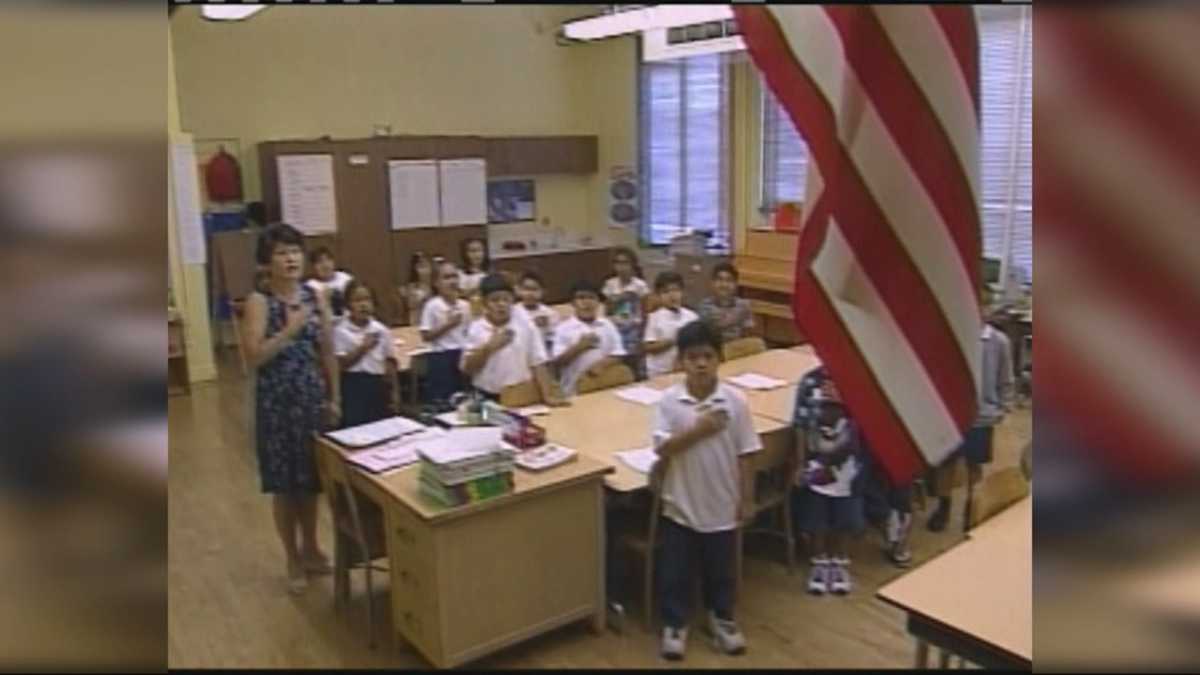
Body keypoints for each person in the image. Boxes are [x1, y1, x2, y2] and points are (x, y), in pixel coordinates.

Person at [240, 223, 340, 595]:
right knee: (285, 486)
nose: (291, 258)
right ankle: (292, 556)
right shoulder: (259, 302)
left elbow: (328, 352)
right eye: (282, 252)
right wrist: (290, 330)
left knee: (310, 483)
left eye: (296, 251)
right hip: (276, 404)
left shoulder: (316, 297)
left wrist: (335, 397)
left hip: (311, 400)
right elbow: (253, 357)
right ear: (268, 262)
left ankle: (312, 547)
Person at [652, 320, 756, 660]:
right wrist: (700, 430)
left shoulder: (736, 403)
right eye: (692, 357)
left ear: (719, 359)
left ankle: (722, 618)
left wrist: (747, 497)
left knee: (720, 571)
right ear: (681, 360)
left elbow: (745, 454)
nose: (700, 364)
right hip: (679, 502)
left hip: (722, 505)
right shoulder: (669, 401)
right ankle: (675, 623)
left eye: (708, 356)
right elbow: (663, 449)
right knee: (675, 570)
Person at [927, 297, 1016, 532]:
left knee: (974, 466)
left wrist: (1003, 408)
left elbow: (1005, 378)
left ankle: (972, 507)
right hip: (951, 416)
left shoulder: (999, 342)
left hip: (982, 414)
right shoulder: (951, 337)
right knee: (946, 465)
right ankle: (943, 507)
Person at [791, 370, 871, 596]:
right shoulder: (809, 381)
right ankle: (819, 563)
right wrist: (799, 463)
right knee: (817, 518)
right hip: (817, 466)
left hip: (850, 469)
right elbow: (800, 425)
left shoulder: (858, 377)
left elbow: (869, 423)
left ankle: (840, 562)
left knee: (845, 520)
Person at [460, 274, 567, 405]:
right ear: (485, 303)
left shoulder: (525, 322)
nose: (501, 304)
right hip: (488, 397)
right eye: (495, 300)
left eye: (506, 299)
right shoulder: (477, 328)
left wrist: (548, 396)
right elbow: (467, 369)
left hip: (522, 394)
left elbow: (538, 362)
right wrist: (489, 347)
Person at [334, 280, 400, 428]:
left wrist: (395, 393)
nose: (363, 305)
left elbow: (390, 363)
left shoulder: (381, 330)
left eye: (367, 299)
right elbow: (341, 365)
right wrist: (363, 348)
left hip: (377, 385)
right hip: (353, 385)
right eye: (357, 300)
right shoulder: (340, 331)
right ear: (348, 305)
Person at [551, 279, 626, 397]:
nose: (586, 302)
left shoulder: (607, 325)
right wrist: (580, 346)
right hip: (572, 392)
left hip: (605, 387)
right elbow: (557, 363)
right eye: (581, 298)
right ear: (573, 303)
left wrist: (601, 365)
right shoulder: (563, 329)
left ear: (598, 302)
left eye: (591, 298)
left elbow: (619, 354)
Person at [418, 260, 471, 409]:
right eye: (446, 278)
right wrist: (449, 325)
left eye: (454, 277)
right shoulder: (432, 305)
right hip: (441, 357)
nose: (452, 281)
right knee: (443, 403)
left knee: (463, 401)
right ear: (436, 283)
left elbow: (469, 332)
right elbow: (426, 335)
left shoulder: (465, 305)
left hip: (461, 355)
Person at [603, 247, 650, 380]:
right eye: (618, 263)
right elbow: (607, 311)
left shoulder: (640, 286)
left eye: (625, 263)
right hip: (615, 328)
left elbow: (645, 312)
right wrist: (619, 299)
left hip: (633, 330)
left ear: (633, 265)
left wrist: (642, 335)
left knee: (634, 362)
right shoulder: (610, 284)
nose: (622, 267)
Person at [643, 271, 699, 378]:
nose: (672, 295)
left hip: (686, 370)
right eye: (666, 292)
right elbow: (648, 347)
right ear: (659, 296)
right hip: (659, 372)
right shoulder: (654, 317)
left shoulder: (692, 316)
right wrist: (673, 340)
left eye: (676, 290)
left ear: (683, 292)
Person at [698, 263, 756, 343]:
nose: (724, 285)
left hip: (738, 349)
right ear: (712, 283)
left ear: (736, 284)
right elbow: (712, 331)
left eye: (729, 280)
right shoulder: (704, 306)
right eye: (720, 280)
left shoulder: (744, 305)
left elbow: (749, 333)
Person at [511, 270, 557, 354]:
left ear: (543, 291)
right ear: (518, 290)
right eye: (526, 289)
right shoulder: (512, 312)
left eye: (535, 289)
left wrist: (546, 327)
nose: (530, 293)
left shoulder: (550, 313)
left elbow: (553, 339)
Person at [304, 246, 353, 322]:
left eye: (328, 260)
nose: (325, 265)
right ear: (313, 267)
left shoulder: (345, 278)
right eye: (319, 262)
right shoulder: (309, 286)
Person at [399, 251, 436, 327]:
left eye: (426, 266)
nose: (423, 271)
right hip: (416, 325)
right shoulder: (410, 288)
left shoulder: (437, 286)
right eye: (420, 267)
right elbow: (411, 304)